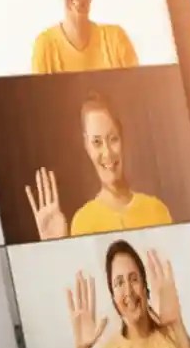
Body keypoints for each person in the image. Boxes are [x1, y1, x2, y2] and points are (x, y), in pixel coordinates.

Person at [23, 91, 172, 240]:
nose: (107, 153)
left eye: (113, 139)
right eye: (97, 142)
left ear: (122, 138)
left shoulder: (157, 210)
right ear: (86, 146)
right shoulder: (83, 223)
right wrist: (57, 246)